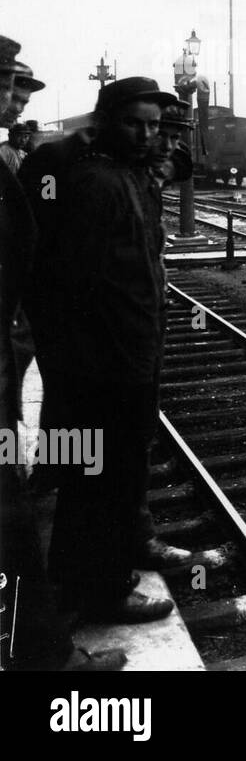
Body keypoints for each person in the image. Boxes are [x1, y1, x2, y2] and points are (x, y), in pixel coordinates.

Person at [29, 76, 192, 624]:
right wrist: (86, 363)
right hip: (104, 363)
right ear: (106, 120)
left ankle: (105, 568)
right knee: (97, 480)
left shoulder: (127, 174)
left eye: (153, 125)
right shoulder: (97, 182)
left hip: (129, 353)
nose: (148, 134)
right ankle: (97, 593)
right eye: (135, 123)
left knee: (114, 473)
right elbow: (73, 284)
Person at [0, 36, 125, 669]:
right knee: (16, 508)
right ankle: (47, 653)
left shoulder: (27, 157)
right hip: (27, 323)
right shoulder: (44, 163)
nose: (17, 98)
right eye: (11, 86)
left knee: (44, 450)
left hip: (22, 324)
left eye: (21, 88)